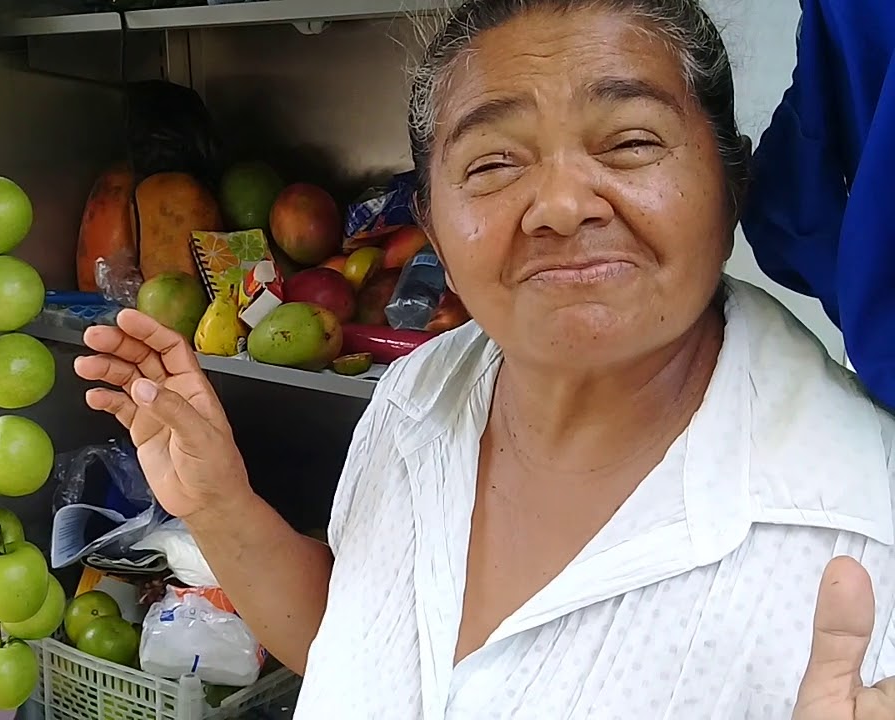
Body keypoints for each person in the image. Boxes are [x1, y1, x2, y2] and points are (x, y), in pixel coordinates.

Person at [75, 0, 895, 717]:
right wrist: (219, 504)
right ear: (431, 224)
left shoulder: (858, 526)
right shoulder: (416, 394)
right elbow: (355, 642)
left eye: (631, 142)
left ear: (732, 182)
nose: (564, 205)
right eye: (495, 162)